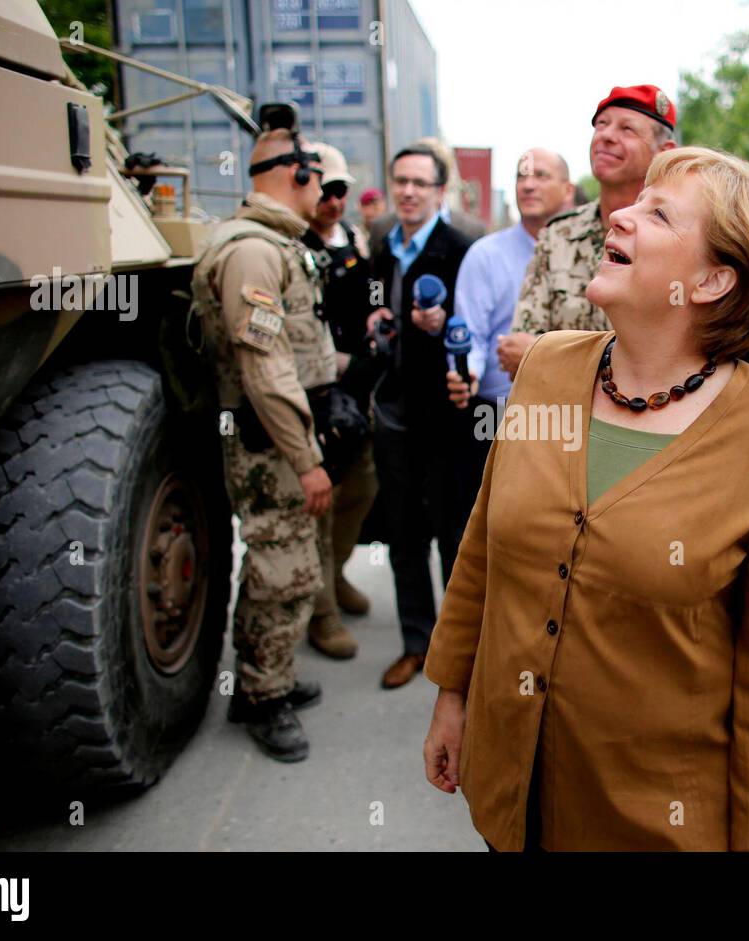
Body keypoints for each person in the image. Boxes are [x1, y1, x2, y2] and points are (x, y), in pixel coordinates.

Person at [424, 147, 749, 851]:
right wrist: (451, 695)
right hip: (509, 798)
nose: (623, 215)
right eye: (632, 202)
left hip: (654, 824)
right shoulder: (547, 367)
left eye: (657, 213)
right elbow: (482, 548)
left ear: (711, 280)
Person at [190, 127, 335, 763]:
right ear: (296, 177)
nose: (324, 195)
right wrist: (307, 462)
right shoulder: (252, 252)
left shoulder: (274, 245)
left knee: (276, 564)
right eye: (320, 181)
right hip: (268, 444)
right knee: (285, 571)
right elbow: (265, 367)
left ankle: (259, 679)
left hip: (277, 436)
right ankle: (263, 696)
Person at [366, 144, 474, 690]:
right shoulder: (382, 246)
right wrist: (375, 317)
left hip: (448, 416)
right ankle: (417, 644)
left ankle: (461, 655)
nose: (407, 191)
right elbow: (368, 296)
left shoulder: (462, 249)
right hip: (394, 413)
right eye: (400, 180)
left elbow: (479, 325)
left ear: (439, 191)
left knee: (454, 537)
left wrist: (444, 323)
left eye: (419, 183)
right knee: (403, 535)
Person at [498, 84, 678, 379]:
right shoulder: (557, 236)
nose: (606, 135)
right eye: (602, 125)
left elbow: (671, 367)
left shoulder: (676, 240)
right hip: (558, 419)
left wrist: (546, 358)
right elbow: (515, 356)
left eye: (627, 129)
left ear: (664, 151)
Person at [300, 141, 377, 659]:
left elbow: (367, 294)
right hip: (311, 389)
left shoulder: (353, 239)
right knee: (318, 502)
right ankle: (320, 611)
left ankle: (336, 570)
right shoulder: (294, 243)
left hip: (353, 386)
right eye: (324, 191)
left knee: (361, 485)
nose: (333, 201)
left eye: (340, 191)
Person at [452, 148, 575, 415]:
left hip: (574, 407)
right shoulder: (484, 255)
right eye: (521, 177)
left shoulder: (591, 256)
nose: (528, 185)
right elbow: (471, 332)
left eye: (541, 176)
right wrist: (467, 371)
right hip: (498, 411)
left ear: (568, 190)